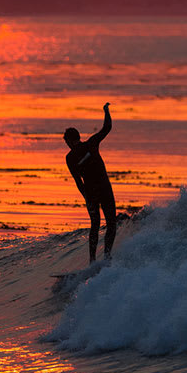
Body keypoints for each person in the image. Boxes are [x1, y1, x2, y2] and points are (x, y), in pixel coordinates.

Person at [64, 102, 116, 263]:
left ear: (71, 140)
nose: (66, 144)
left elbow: (78, 182)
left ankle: (97, 259)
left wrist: (86, 196)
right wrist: (106, 111)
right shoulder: (85, 148)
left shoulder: (73, 155)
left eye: (67, 141)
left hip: (94, 192)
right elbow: (107, 127)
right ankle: (101, 258)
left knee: (101, 224)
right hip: (102, 190)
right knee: (107, 224)